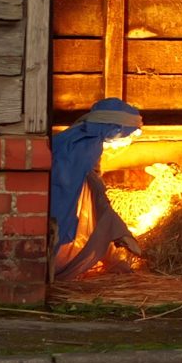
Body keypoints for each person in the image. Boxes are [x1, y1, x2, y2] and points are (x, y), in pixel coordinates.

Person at [48, 98, 143, 267]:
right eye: (127, 133)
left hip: (55, 198)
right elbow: (92, 186)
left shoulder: (76, 137)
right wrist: (118, 230)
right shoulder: (86, 146)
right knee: (50, 237)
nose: (125, 140)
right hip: (57, 200)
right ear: (115, 128)